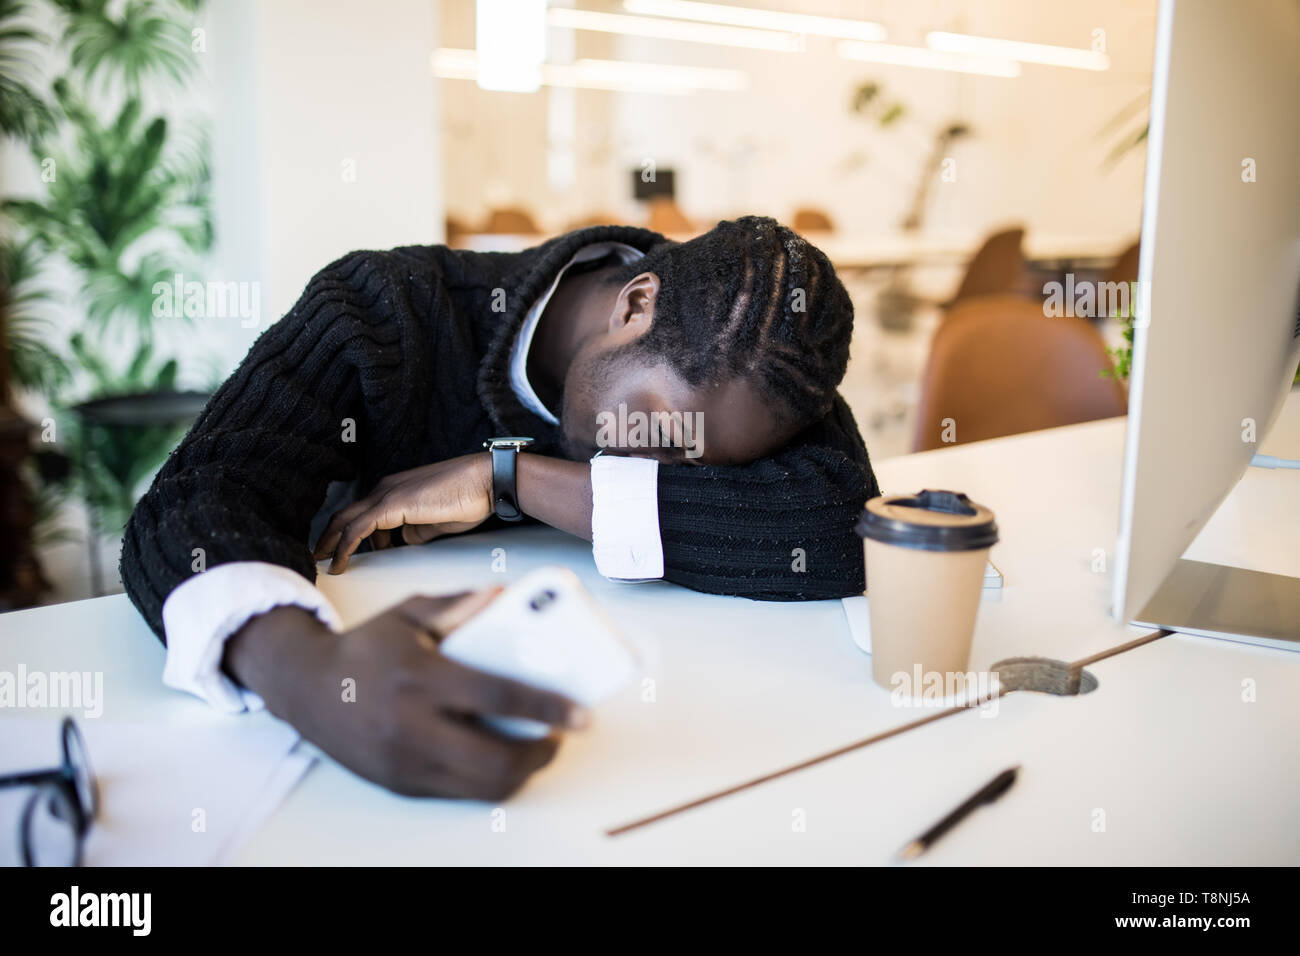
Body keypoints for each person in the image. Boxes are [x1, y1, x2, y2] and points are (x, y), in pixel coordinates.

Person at [120, 216, 880, 800]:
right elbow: (200, 498)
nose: (655, 470)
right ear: (635, 304)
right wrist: (310, 675)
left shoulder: (758, 363)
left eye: (701, 468)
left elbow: (843, 527)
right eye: (655, 427)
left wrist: (510, 476)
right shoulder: (385, 313)